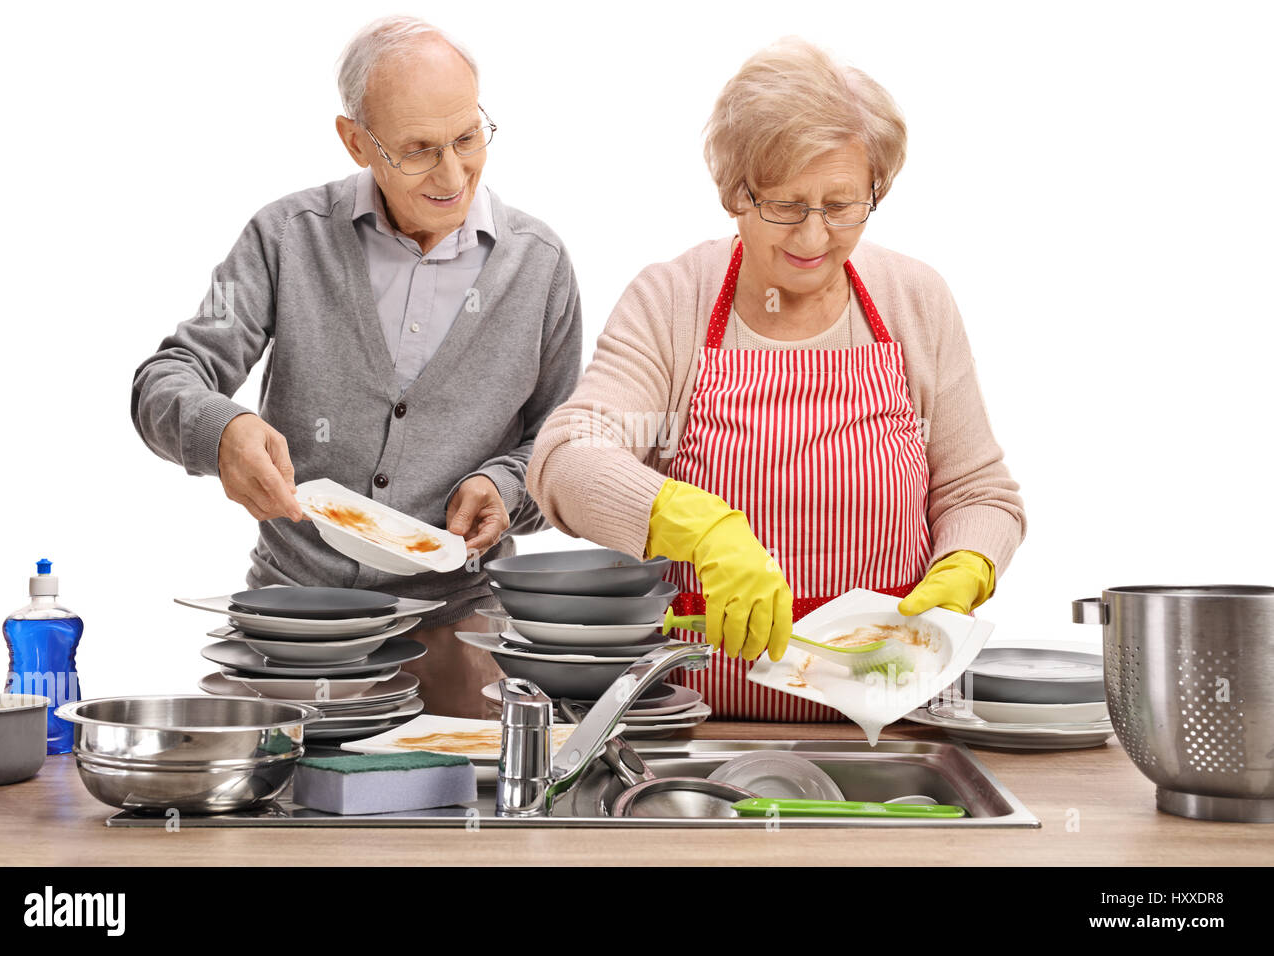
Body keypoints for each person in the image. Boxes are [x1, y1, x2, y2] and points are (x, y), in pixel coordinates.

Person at [527, 37, 1024, 720]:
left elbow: (980, 491)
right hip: (701, 735)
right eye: (786, 206)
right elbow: (564, 459)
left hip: (886, 730)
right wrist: (705, 528)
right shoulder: (675, 299)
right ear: (736, 191)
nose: (814, 237)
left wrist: (965, 566)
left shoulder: (915, 299)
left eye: (842, 205)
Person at [132, 16, 582, 717]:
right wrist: (220, 431)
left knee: (464, 816)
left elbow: (561, 444)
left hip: (462, 633)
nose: (454, 173)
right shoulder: (284, 238)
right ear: (355, 142)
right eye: (418, 151)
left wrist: (506, 486)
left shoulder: (540, 265)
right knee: (271, 817)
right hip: (295, 628)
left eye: (467, 139)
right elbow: (167, 378)